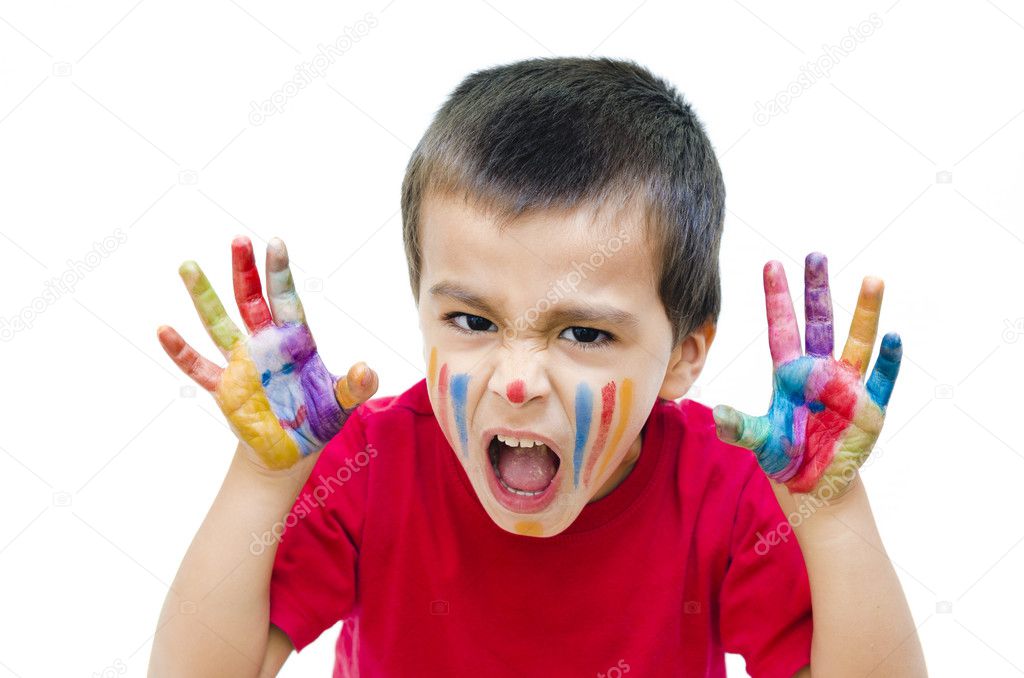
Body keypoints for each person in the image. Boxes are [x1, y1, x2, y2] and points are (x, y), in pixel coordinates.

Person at [148, 57, 926, 677]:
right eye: (473, 321)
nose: (518, 379)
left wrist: (830, 505)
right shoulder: (372, 464)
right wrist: (261, 477)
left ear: (685, 355)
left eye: (584, 334)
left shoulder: (720, 487)